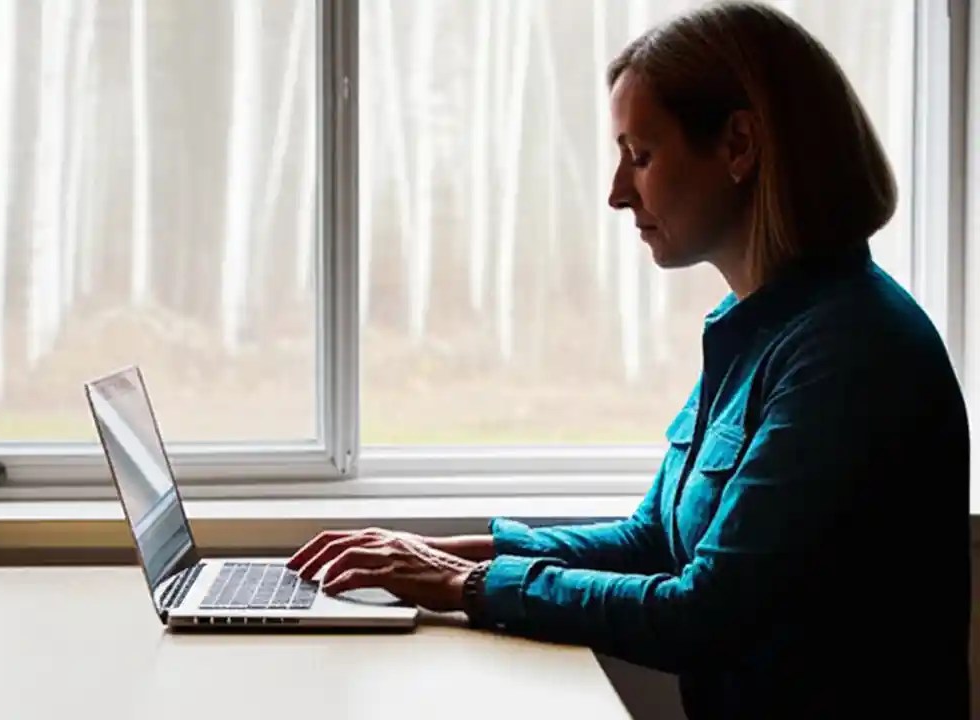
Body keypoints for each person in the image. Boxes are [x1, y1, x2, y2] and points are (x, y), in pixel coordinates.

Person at [286, 2, 972, 717]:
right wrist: (451, 554)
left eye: (639, 156)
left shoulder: (848, 354)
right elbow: (653, 540)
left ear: (739, 144)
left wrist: (465, 585)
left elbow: (700, 614)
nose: (618, 193)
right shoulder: (763, 331)